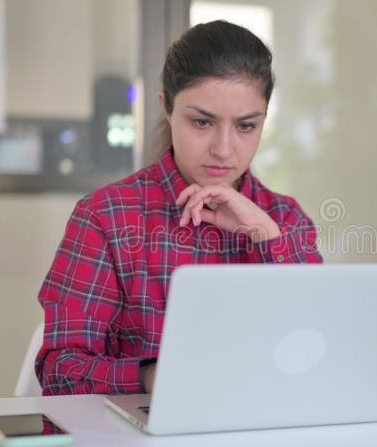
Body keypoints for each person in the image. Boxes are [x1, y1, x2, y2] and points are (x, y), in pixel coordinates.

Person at [35, 20, 323, 396]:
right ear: (167, 108)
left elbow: (319, 347)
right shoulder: (106, 216)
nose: (223, 149)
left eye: (246, 126)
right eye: (202, 122)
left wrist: (266, 237)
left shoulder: (284, 219)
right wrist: (151, 377)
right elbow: (60, 371)